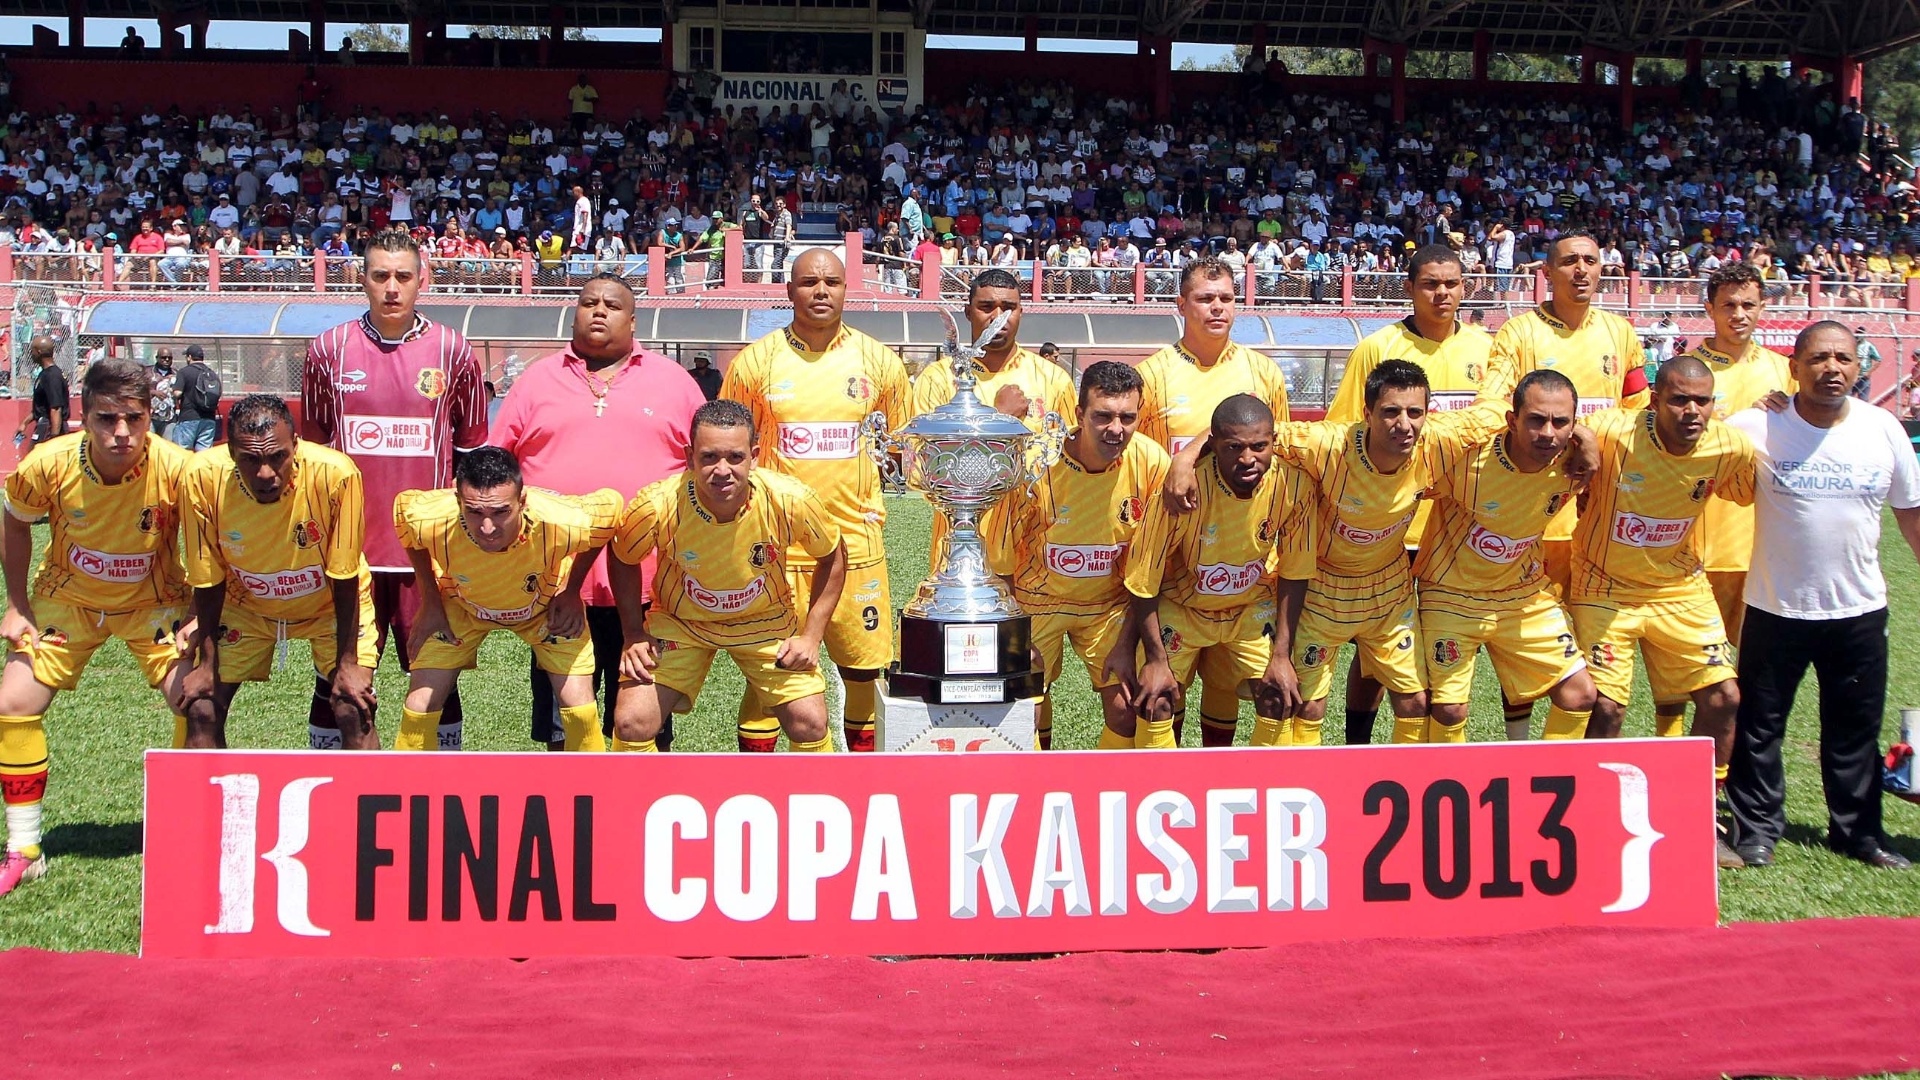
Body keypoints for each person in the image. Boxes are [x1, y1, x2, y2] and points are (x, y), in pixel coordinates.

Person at [1725, 320, 1920, 871]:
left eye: (1842, 358)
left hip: (1858, 610)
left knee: (1854, 727)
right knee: (1760, 727)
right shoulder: (1757, 426)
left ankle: (1859, 835)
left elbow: (1912, 515)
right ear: (1795, 368)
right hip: (1774, 606)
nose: (1831, 368)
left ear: (1858, 368)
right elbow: (1694, 437)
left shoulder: (1883, 429)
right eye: (1817, 358)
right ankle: (1756, 831)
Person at [0, 359, 194, 898]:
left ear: (151, 415)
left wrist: (200, 614)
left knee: (197, 702)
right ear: (84, 417)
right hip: (69, 600)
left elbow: (211, 539)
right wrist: (18, 605)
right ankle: (25, 849)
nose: (122, 433)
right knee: (13, 703)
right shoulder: (48, 463)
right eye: (107, 419)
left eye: (134, 418)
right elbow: (15, 524)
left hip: (152, 603)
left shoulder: (179, 468)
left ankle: (183, 835)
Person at [488, 275, 704, 751]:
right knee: (566, 728)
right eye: (589, 302)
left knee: (641, 723)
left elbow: (707, 470)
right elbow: (497, 469)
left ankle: (640, 811)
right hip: (558, 585)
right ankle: (571, 816)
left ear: (633, 319)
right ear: (574, 313)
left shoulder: (674, 382)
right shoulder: (535, 380)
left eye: (612, 305)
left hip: (652, 587)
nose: (599, 311)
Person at [301, 229, 488, 748]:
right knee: (337, 676)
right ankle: (338, 781)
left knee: (434, 673)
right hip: (347, 552)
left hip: (423, 552)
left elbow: (471, 452)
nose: (391, 287)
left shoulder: (454, 350)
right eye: (380, 275)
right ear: (360, 279)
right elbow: (312, 458)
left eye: (403, 276)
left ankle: (436, 785)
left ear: (421, 282)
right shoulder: (327, 350)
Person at [719, 248, 909, 753]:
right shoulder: (755, 362)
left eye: (831, 282)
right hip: (780, 548)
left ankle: (860, 782)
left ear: (848, 289)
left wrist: (871, 491)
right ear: (789, 290)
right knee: (771, 673)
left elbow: (899, 440)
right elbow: (730, 443)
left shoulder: (880, 361)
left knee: (866, 671)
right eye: (808, 282)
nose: (820, 291)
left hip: (857, 544)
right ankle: (757, 785)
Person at [1570, 358, 1754, 863]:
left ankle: (1697, 816)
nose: (1692, 411)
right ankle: (1592, 820)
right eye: (1679, 400)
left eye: (1702, 401)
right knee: (1605, 706)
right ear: (1654, 401)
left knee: (1723, 698)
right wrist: (1582, 437)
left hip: (1680, 588)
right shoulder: (1612, 431)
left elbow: (1759, 487)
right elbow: (1568, 426)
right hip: (1603, 586)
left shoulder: (1729, 446)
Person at [1274, 360, 1505, 746]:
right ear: (1367, 414)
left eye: (1415, 413)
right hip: (1324, 586)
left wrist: (1580, 433)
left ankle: (1402, 790)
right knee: (1308, 706)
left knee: (1415, 702)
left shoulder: (1442, 439)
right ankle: (1307, 788)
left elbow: (1499, 412)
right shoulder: (1326, 444)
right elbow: (1251, 431)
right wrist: (1184, 459)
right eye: (1391, 412)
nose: (1405, 424)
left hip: (1389, 586)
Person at [1477, 229, 1650, 739]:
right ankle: (1519, 750)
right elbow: (1494, 408)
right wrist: (1578, 432)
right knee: (1527, 645)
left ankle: (1574, 764)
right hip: (1532, 521)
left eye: (1590, 261)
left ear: (1603, 270)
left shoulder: (1621, 335)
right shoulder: (1518, 333)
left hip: (1600, 523)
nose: (1580, 270)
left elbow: (1639, 417)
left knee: (1595, 663)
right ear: (1547, 273)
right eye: (1569, 261)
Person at [1320, 243, 1493, 744]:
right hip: (1390, 525)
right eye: (1429, 284)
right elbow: (1343, 433)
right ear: (1409, 289)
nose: (1442, 293)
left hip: (1461, 527)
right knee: (1374, 654)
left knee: (1441, 650)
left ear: (1466, 287)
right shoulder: (1377, 347)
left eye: (1451, 284)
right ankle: (1358, 746)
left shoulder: (1487, 349)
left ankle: (1426, 752)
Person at [607, 401, 845, 754]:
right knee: (632, 722)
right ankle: (635, 804)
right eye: (709, 457)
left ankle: (810, 802)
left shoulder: (790, 500)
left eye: (735, 457)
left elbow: (833, 556)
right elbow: (623, 555)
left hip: (764, 623)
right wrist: (632, 633)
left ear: (754, 455)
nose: (722, 470)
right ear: (689, 457)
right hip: (681, 624)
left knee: (809, 722)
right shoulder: (657, 505)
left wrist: (811, 636)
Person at [981, 361, 1170, 749]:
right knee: (1021, 712)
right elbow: (999, 565)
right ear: (1080, 415)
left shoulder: (1152, 463)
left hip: (1108, 605)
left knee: (1127, 709)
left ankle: (1109, 799)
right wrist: (1015, 636)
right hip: (1037, 601)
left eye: (1127, 417)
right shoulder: (1036, 463)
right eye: (1103, 416)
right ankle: (1033, 798)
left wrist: (1125, 643)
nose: (1116, 429)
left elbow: (1150, 569)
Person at [174, 395, 380, 750]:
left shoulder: (337, 475)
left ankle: (364, 804)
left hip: (328, 605)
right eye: (250, 460)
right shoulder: (201, 477)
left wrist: (348, 663)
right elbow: (207, 578)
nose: (265, 473)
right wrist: (207, 663)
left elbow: (344, 576)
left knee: (352, 707)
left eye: (277, 457)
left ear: (295, 446)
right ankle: (210, 806)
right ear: (230, 453)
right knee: (202, 708)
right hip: (246, 605)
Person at [1146, 256, 1294, 739]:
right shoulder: (1154, 374)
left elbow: (1280, 451)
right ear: (1181, 305)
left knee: (1226, 684)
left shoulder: (1263, 372)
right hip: (1175, 559)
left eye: (1226, 299)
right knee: (1169, 689)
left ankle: (1218, 779)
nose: (1217, 308)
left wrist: (1191, 452)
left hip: (1243, 554)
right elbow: (1145, 464)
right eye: (1205, 298)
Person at [393, 447, 621, 752]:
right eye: (474, 512)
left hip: (544, 609)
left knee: (580, 714)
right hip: (460, 608)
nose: (487, 528)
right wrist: (431, 600)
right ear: (457, 500)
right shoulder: (428, 516)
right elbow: (403, 515)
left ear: (522, 501)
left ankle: (590, 797)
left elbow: (611, 509)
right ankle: (412, 796)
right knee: (418, 711)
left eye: (501, 512)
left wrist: (571, 589)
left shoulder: (561, 519)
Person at [1122, 394, 1317, 748]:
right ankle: (1164, 791)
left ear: (1274, 441)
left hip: (1248, 608)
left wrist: (1282, 655)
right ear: (1213, 445)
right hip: (1184, 608)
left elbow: (1296, 571)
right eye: (1233, 448)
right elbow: (1142, 577)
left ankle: (1266, 790)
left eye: (1259, 446)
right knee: (1157, 698)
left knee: (1279, 694)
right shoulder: (1182, 490)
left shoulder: (1294, 485)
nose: (1247, 459)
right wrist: (1154, 659)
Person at [1651, 262, 1795, 738]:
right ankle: (1672, 763)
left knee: (1748, 674)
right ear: (1708, 308)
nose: (1738, 314)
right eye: (1728, 305)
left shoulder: (1781, 372)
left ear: (1763, 308)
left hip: (1757, 545)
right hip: (1691, 541)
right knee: (1680, 671)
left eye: (1748, 304)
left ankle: (1732, 775)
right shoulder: (1688, 374)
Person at [1417, 370, 1599, 744]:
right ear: (1511, 420)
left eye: (1560, 422)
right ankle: (1451, 791)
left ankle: (1548, 781)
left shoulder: (1574, 461)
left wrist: (1589, 439)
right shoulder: (1464, 459)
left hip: (1522, 594)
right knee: (1450, 709)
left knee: (1580, 694)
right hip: (1451, 594)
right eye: (1535, 420)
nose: (1548, 433)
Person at [15, 337, 66, 450]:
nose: (31, 354)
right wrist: (25, 423)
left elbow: (56, 408)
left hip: (49, 427)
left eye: (32, 350)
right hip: (43, 424)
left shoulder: (52, 376)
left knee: (36, 462)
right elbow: (42, 407)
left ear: (39, 352)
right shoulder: (44, 374)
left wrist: (54, 438)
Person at [168, 343, 223, 451]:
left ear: (189, 357)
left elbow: (177, 393)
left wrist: (171, 389)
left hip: (189, 418)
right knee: (203, 456)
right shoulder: (211, 373)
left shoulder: (184, 372)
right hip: (209, 419)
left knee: (181, 453)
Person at [147, 350, 177, 440]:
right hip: (151, 417)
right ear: (157, 358)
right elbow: (137, 390)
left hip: (169, 419)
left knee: (168, 447)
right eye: (163, 357)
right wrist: (153, 392)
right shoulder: (147, 372)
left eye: (169, 358)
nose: (167, 360)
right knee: (150, 444)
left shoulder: (176, 373)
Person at [1851, 326, 1882, 399]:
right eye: (1857, 333)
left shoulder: (1868, 346)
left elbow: (1878, 360)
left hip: (1863, 378)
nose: (1858, 336)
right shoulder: (1851, 345)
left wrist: (1869, 372)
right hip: (1851, 377)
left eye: (1860, 334)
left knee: (1863, 400)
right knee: (1847, 399)